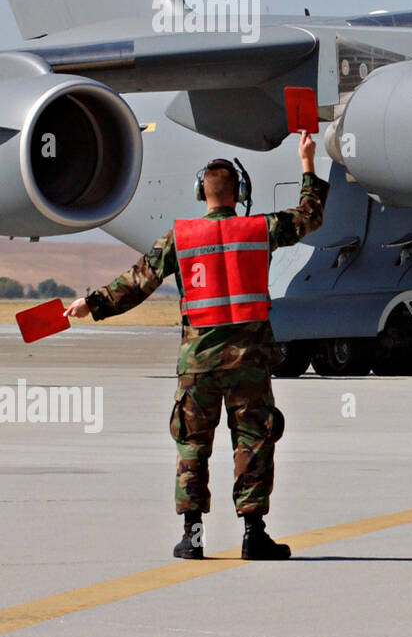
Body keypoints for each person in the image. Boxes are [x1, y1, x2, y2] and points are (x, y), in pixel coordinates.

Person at [64, 130, 328, 561]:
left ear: (199, 193)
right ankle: (253, 534)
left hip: (198, 363)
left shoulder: (179, 239)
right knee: (253, 441)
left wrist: (90, 304)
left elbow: (136, 283)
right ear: (238, 193)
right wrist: (306, 163)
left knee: (192, 445)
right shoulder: (259, 229)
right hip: (250, 361)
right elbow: (308, 216)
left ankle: (193, 537)